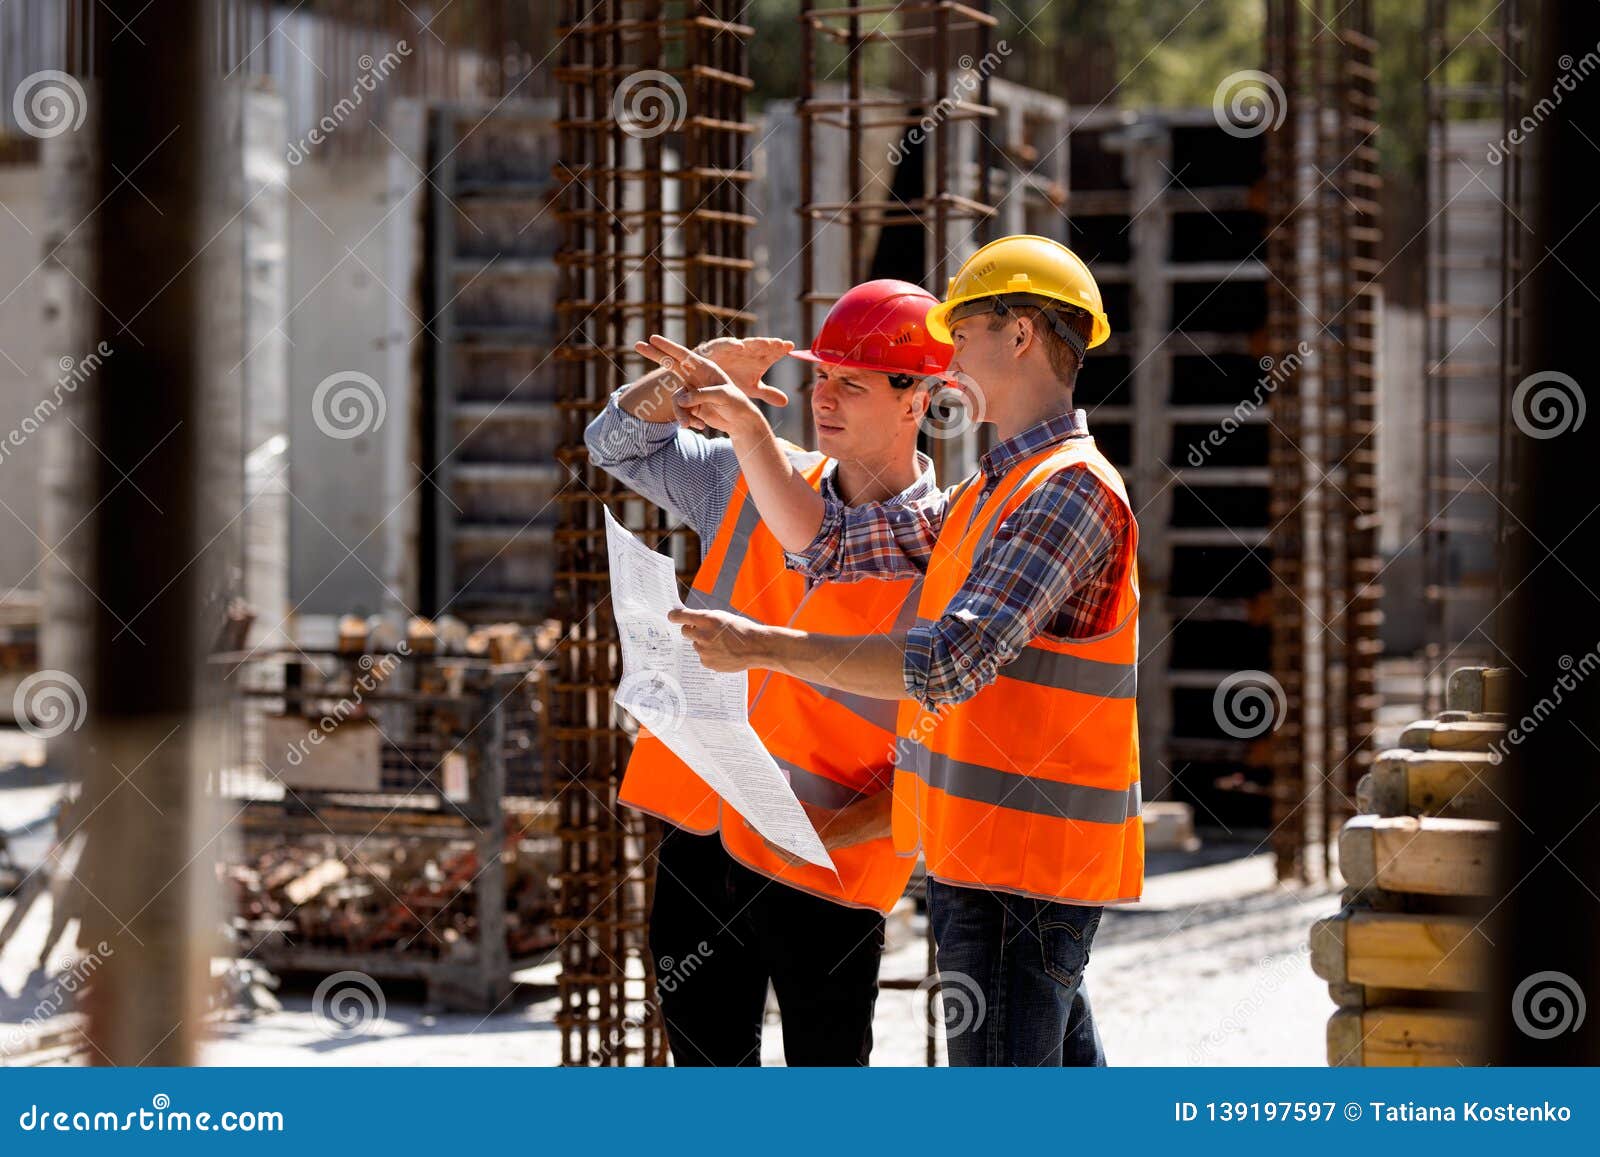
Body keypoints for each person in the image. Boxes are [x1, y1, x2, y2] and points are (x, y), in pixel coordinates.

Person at [662, 236, 1142, 1067]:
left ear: (1020, 334)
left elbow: (949, 660)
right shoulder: (988, 491)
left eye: (963, 328)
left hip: (1022, 874)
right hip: (982, 859)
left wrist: (761, 646)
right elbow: (835, 545)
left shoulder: (1068, 487)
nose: (947, 350)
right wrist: (744, 423)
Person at [585, 280, 953, 1066]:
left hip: (828, 870)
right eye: (822, 376)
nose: (825, 398)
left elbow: (945, 751)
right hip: (700, 841)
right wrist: (688, 377)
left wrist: (827, 831)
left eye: (852, 383)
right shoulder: (756, 474)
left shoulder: (948, 550)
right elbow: (614, 444)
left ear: (915, 399)